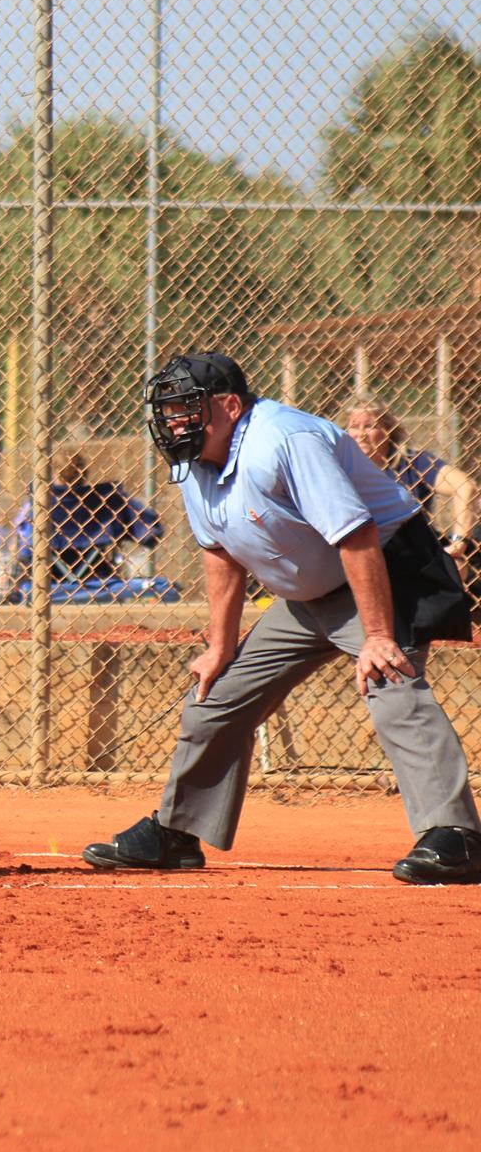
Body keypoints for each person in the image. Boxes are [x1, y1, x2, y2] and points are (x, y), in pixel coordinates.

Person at [84, 353, 481, 885]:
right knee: (216, 693)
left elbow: (356, 533)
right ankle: (177, 833)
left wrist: (380, 635)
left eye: (185, 409)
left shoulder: (283, 439)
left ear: (228, 405)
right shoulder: (195, 456)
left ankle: (456, 836)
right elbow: (219, 551)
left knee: (391, 682)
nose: (174, 422)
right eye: (169, 412)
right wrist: (221, 645)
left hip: (382, 568)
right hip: (306, 593)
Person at [343, 397, 476, 576]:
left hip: (415, 548)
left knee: (459, 565)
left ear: (388, 430)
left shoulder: (412, 462)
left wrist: (459, 541)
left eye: (370, 426)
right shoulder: (343, 467)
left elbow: (464, 486)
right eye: (354, 426)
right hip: (366, 548)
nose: (361, 434)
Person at [10, 451, 163, 582]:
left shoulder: (42, 500)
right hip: (94, 570)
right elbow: (149, 528)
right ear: (84, 474)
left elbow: (24, 538)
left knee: (27, 532)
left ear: (54, 473)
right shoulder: (104, 497)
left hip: (49, 573)